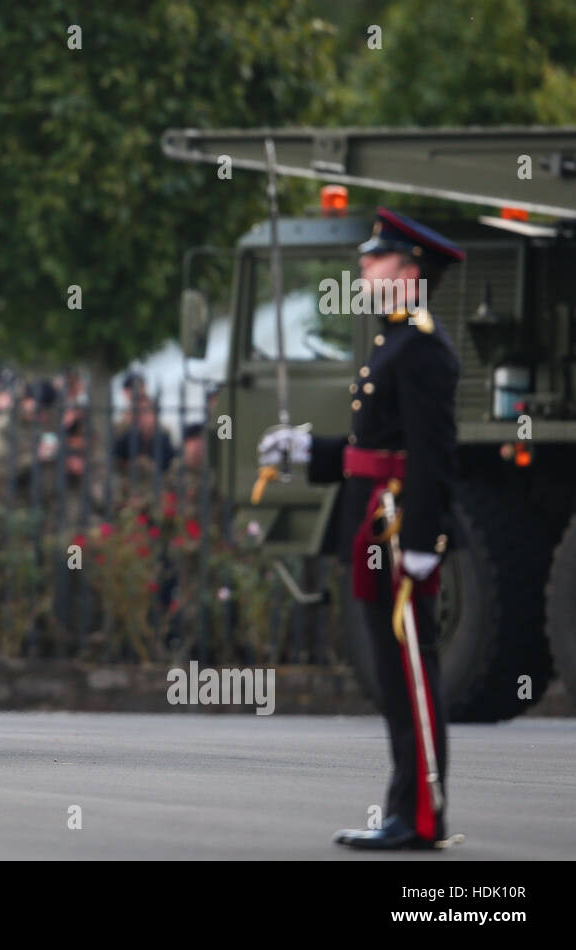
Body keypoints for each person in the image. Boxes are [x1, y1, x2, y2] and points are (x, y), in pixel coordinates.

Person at [258, 207, 462, 850]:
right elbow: (368, 447)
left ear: (410, 271)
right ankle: (404, 807)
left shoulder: (422, 347)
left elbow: (433, 456)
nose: (364, 267)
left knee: (412, 674)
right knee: (393, 674)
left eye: (377, 258)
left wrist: (427, 545)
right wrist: (306, 452)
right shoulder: (392, 342)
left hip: (400, 530)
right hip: (374, 526)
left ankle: (423, 813)